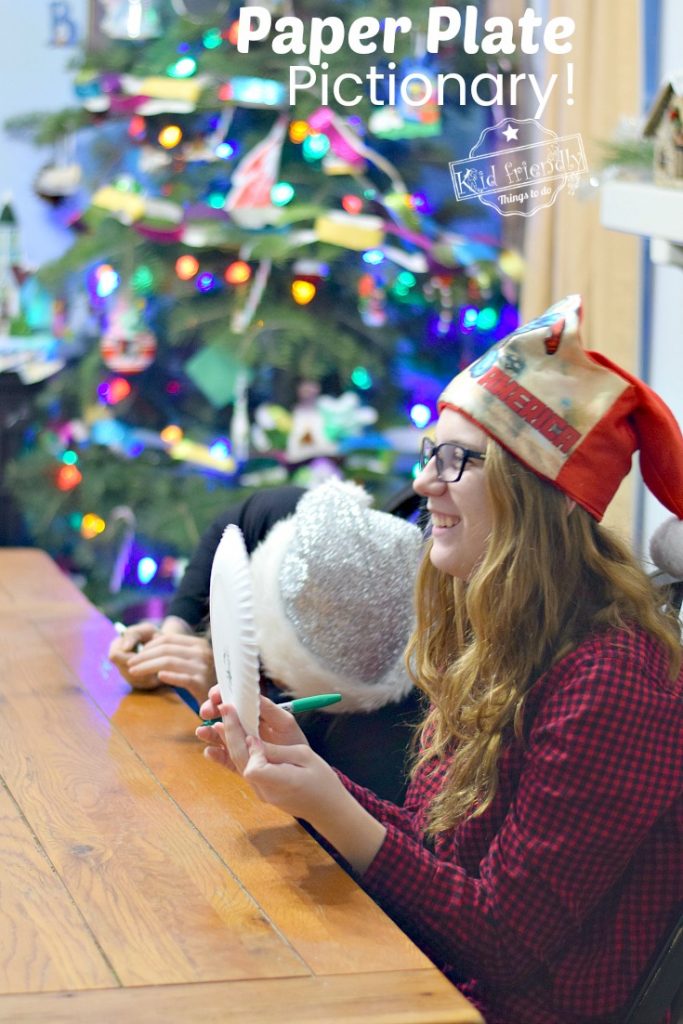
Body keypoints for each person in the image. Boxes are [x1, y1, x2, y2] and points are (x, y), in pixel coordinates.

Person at [197, 295, 683, 1024]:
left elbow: (503, 941)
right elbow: (439, 861)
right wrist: (307, 772)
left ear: (535, 493)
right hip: (431, 973)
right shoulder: (500, 631)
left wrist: (330, 807)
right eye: (429, 453)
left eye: (456, 460)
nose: (424, 483)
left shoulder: (613, 679)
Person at [110, 480, 424, 802]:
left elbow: (303, 798)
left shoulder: (380, 738)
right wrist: (173, 637)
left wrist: (234, 695)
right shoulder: (298, 526)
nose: (266, 672)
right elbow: (230, 529)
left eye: (278, 674)